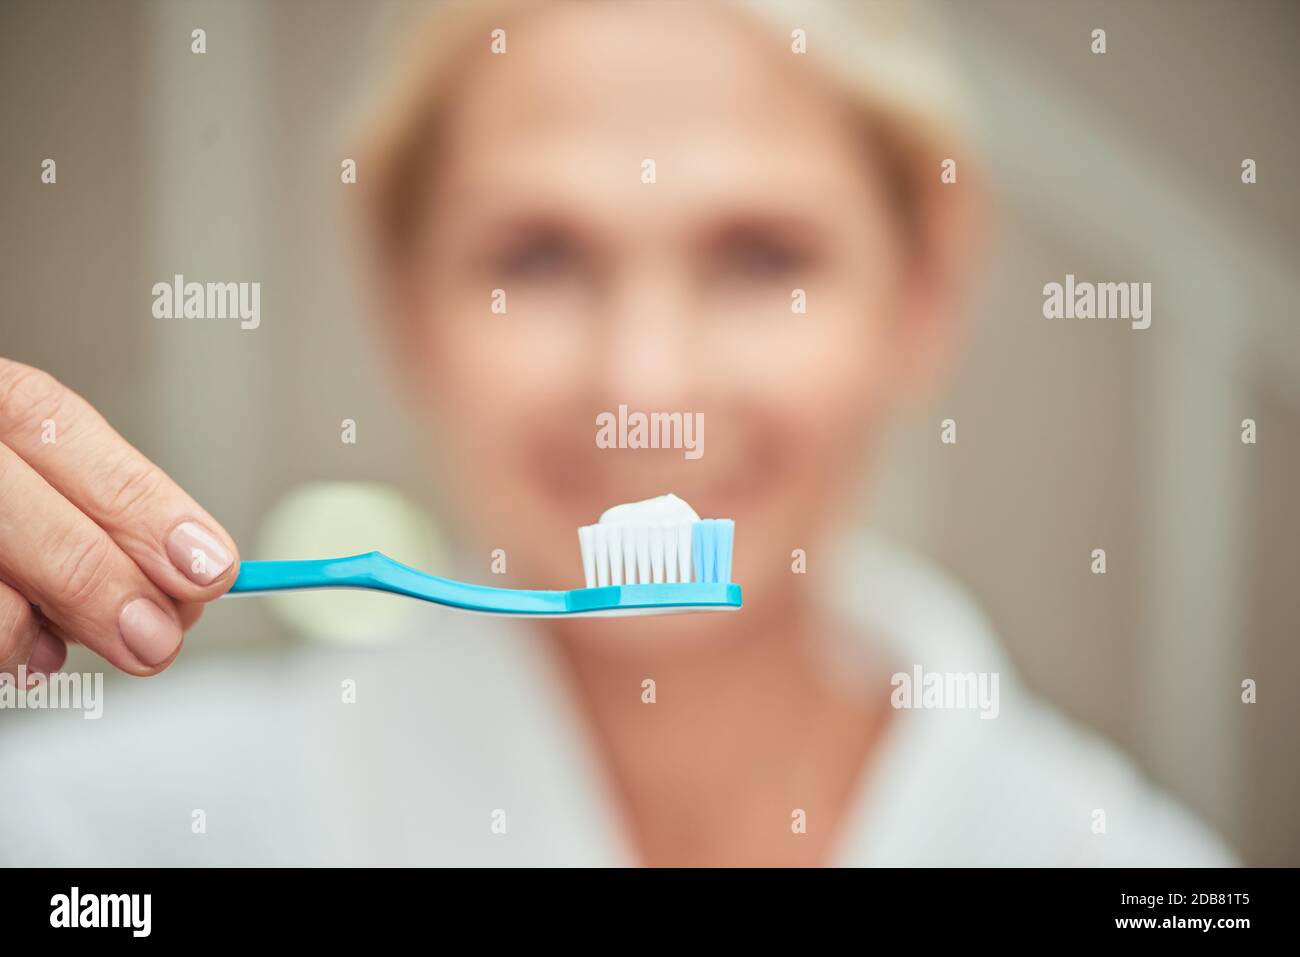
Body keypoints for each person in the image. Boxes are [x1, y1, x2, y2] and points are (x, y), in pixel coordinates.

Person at [0, 0, 1232, 866]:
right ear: (406, 304)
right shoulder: (97, 838)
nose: (646, 377)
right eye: (537, 256)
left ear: (918, 298)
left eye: (761, 258)